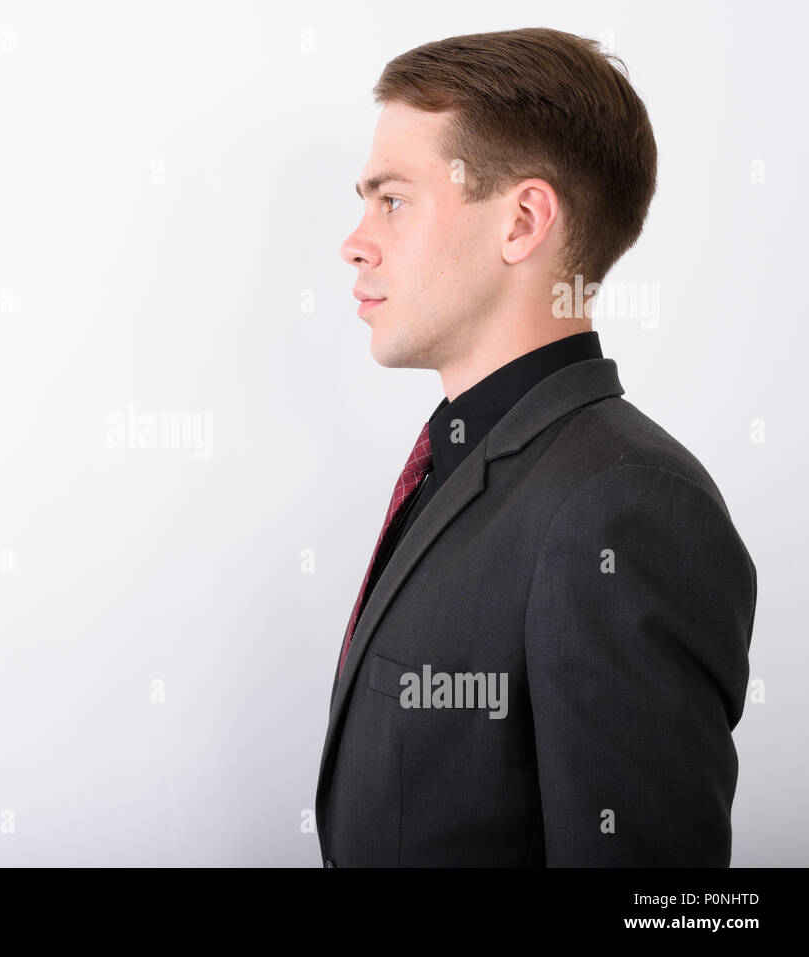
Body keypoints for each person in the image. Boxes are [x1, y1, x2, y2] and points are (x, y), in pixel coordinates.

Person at [317, 27, 757, 867]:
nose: (356, 239)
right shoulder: (465, 460)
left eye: (392, 199)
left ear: (522, 220)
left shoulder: (627, 505)